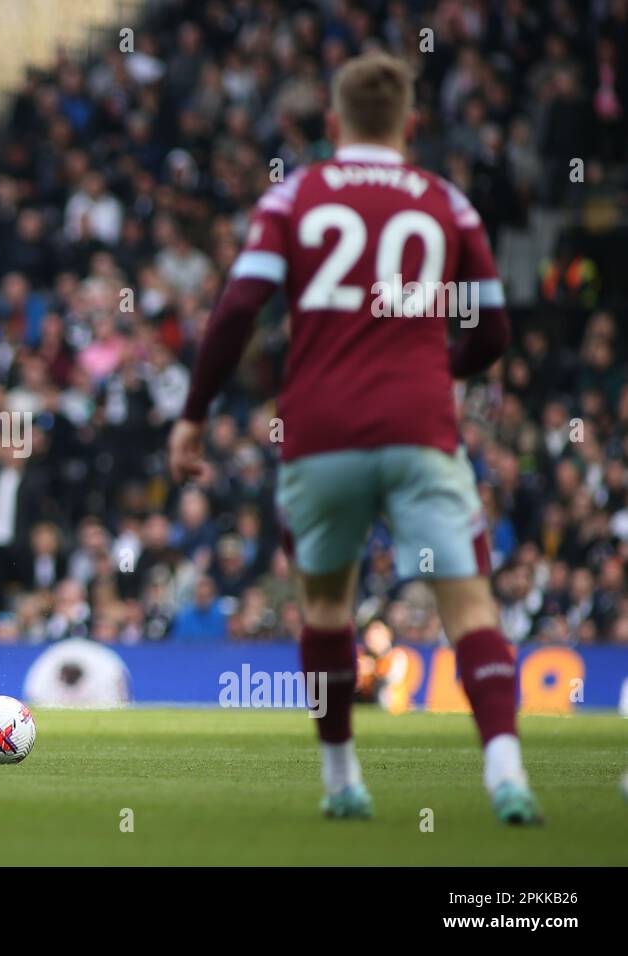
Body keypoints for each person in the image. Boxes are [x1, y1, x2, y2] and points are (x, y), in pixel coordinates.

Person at [168, 53, 541, 824]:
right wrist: (447, 368)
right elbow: (496, 329)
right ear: (411, 125)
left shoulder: (297, 193)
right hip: (420, 427)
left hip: (321, 432)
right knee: (471, 609)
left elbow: (239, 307)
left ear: (333, 125)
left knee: (326, 610)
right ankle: (508, 777)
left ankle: (342, 781)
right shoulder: (447, 202)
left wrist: (195, 413)